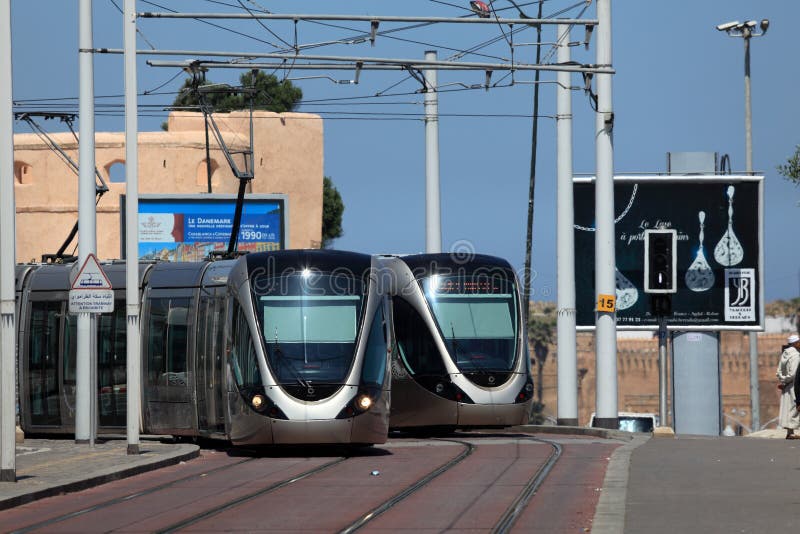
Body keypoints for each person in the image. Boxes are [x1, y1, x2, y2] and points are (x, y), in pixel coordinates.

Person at [777, 334, 800, 438]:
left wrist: (784, 381)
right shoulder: (795, 355)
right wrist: (789, 381)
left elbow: (779, 372)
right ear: (795, 343)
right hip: (795, 384)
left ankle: (790, 432)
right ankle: (794, 433)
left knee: (789, 408)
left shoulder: (785, 354)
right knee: (796, 408)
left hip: (787, 385)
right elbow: (794, 373)